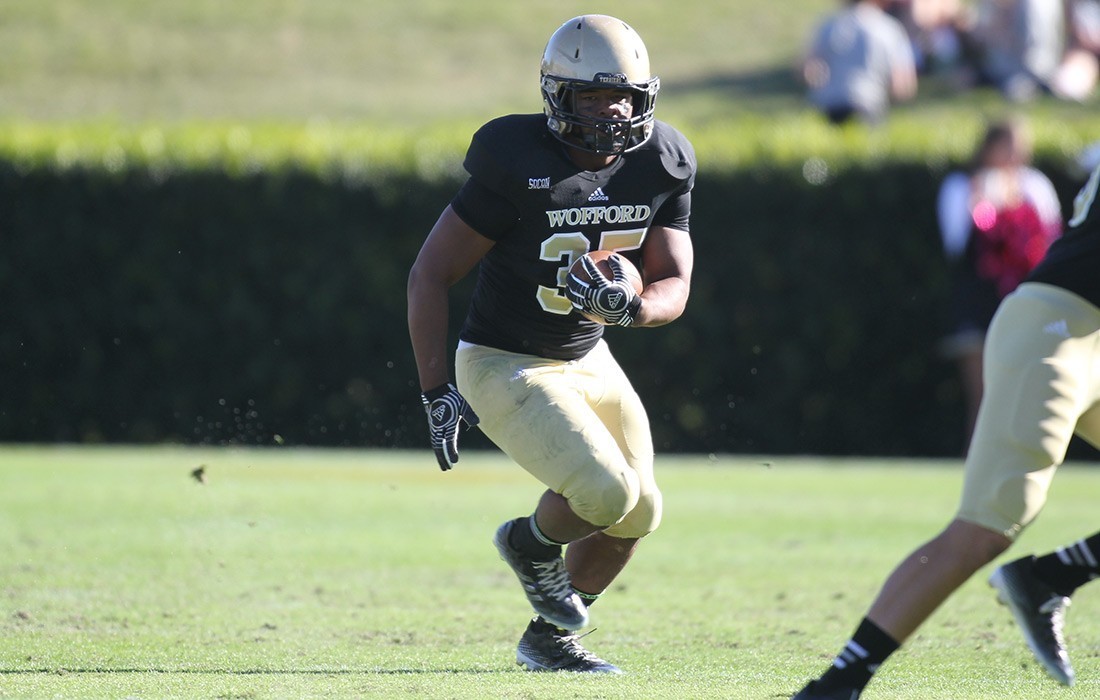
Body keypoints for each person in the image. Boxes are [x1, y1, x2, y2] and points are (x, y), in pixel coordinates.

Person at [406, 14, 695, 674]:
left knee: (640, 510)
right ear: (558, 96)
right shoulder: (517, 161)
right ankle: (529, 544)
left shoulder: (660, 161)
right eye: (592, 96)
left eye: (622, 95)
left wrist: (633, 308)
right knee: (606, 495)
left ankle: (548, 639)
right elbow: (430, 272)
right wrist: (434, 390)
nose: (611, 111)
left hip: (589, 353)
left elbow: (674, 280)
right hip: (505, 362)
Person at [792, 161, 1100, 699]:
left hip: (1087, 336)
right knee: (988, 526)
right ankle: (835, 685)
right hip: (1055, 332)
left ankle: (1054, 575)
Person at [936, 118, 1062, 448]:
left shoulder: (1035, 185)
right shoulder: (961, 185)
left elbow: (1051, 241)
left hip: (1025, 301)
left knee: (1025, 394)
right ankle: (976, 472)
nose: (1014, 154)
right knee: (982, 394)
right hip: (978, 301)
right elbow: (956, 244)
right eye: (1007, 145)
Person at [801, 0, 918, 125]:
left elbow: (806, 70)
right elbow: (902, 86)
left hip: (827, 108)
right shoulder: (890, 29)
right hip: (869, 107)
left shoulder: (828, 25)